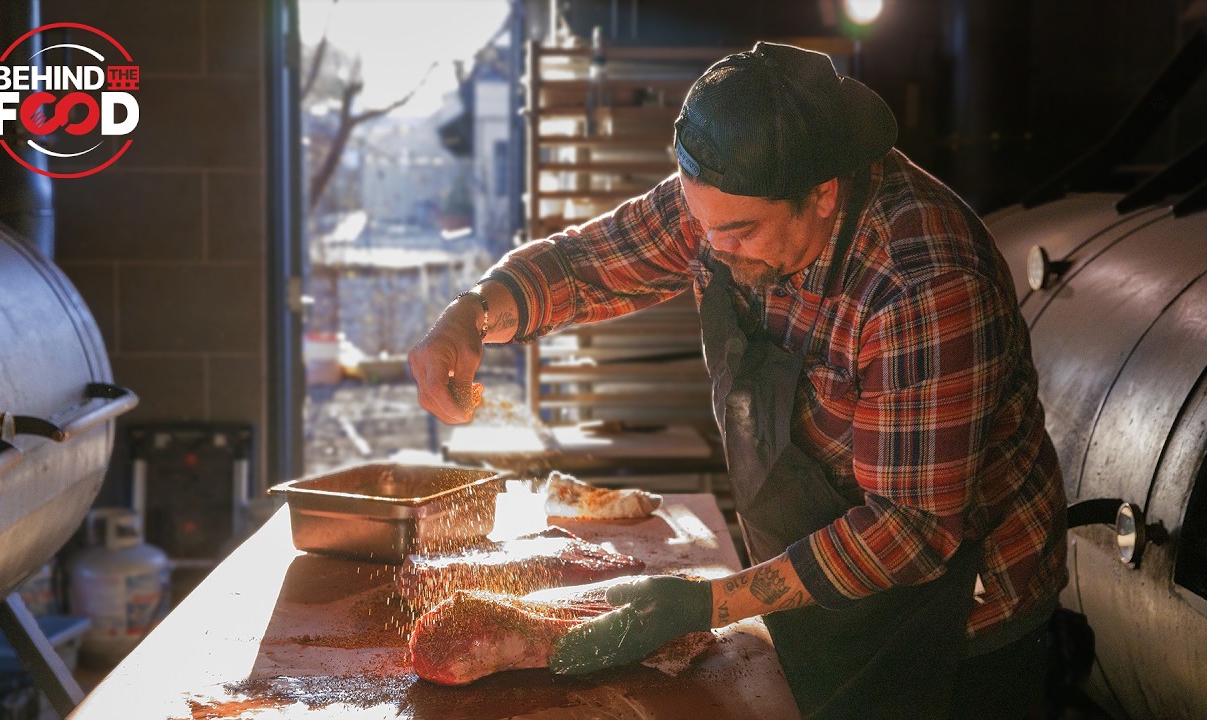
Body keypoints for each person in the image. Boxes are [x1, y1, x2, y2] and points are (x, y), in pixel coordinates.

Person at [409, 42, 1067, 720]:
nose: (714, 248)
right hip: (811, 586)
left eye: (741, 233)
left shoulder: (922, 284)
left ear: (822, 196)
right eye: (703, 225)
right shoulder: (728, 202)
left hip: (957, 627)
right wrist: (471, 313)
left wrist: (710, 605)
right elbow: (589, 263)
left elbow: (911, 530)